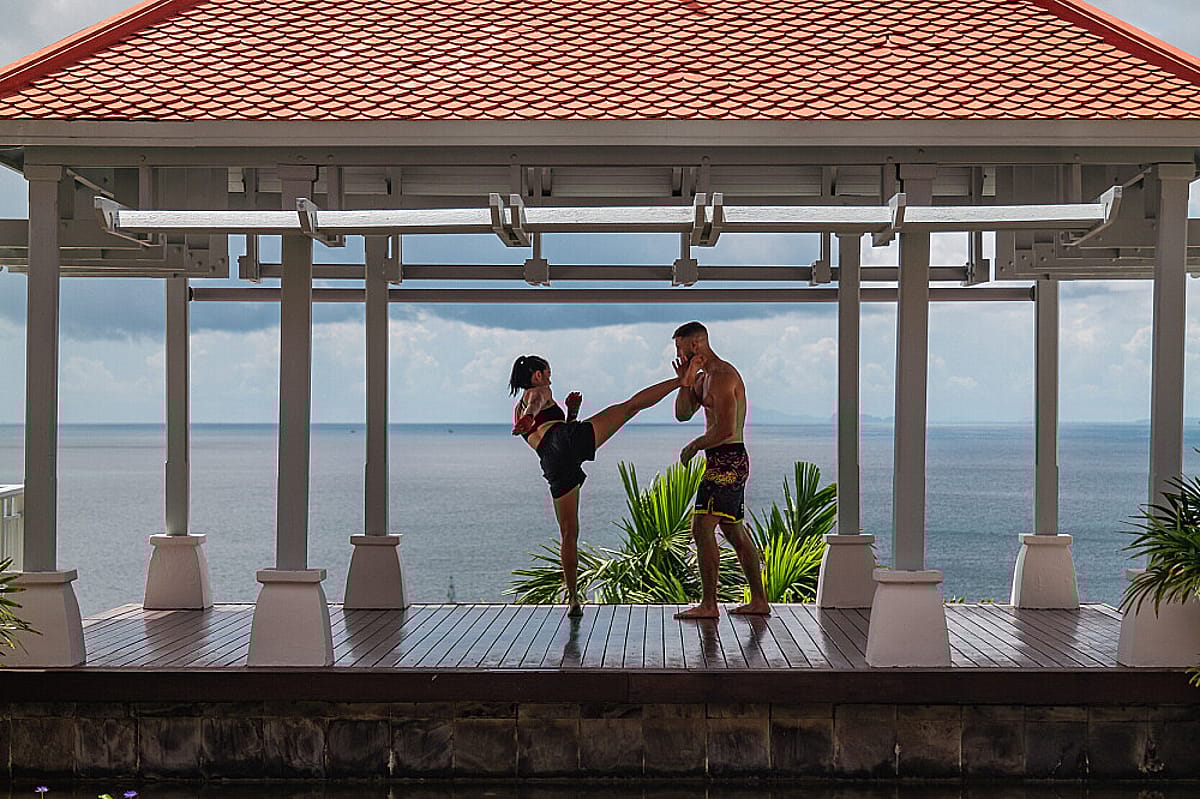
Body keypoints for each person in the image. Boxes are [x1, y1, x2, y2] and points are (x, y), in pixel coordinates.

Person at [510, 355, 680, 617]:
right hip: (564, 441)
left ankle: (573, 599)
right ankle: (681, 381)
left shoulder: (515, 410)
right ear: (537, 375)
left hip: (552, 461)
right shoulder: (539, 391)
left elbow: (546, 431)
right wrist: (530, 416)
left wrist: (571, 412)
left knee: (569, 533)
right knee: (628, 408)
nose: (550, 377)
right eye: (548, 372)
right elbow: (536, 404)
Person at [670, 322, 770, 618]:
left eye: (680, 347)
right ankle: (759, 601)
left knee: (701, 527)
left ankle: (709, 604)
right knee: (733, 530)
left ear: (695, 345)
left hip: (729, 459)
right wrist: (685, 382)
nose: (678, 353)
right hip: (718, 459)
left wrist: (695, 445)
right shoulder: (702, 378)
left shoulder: (724, 375)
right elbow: (682, 413)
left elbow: (725, 428)